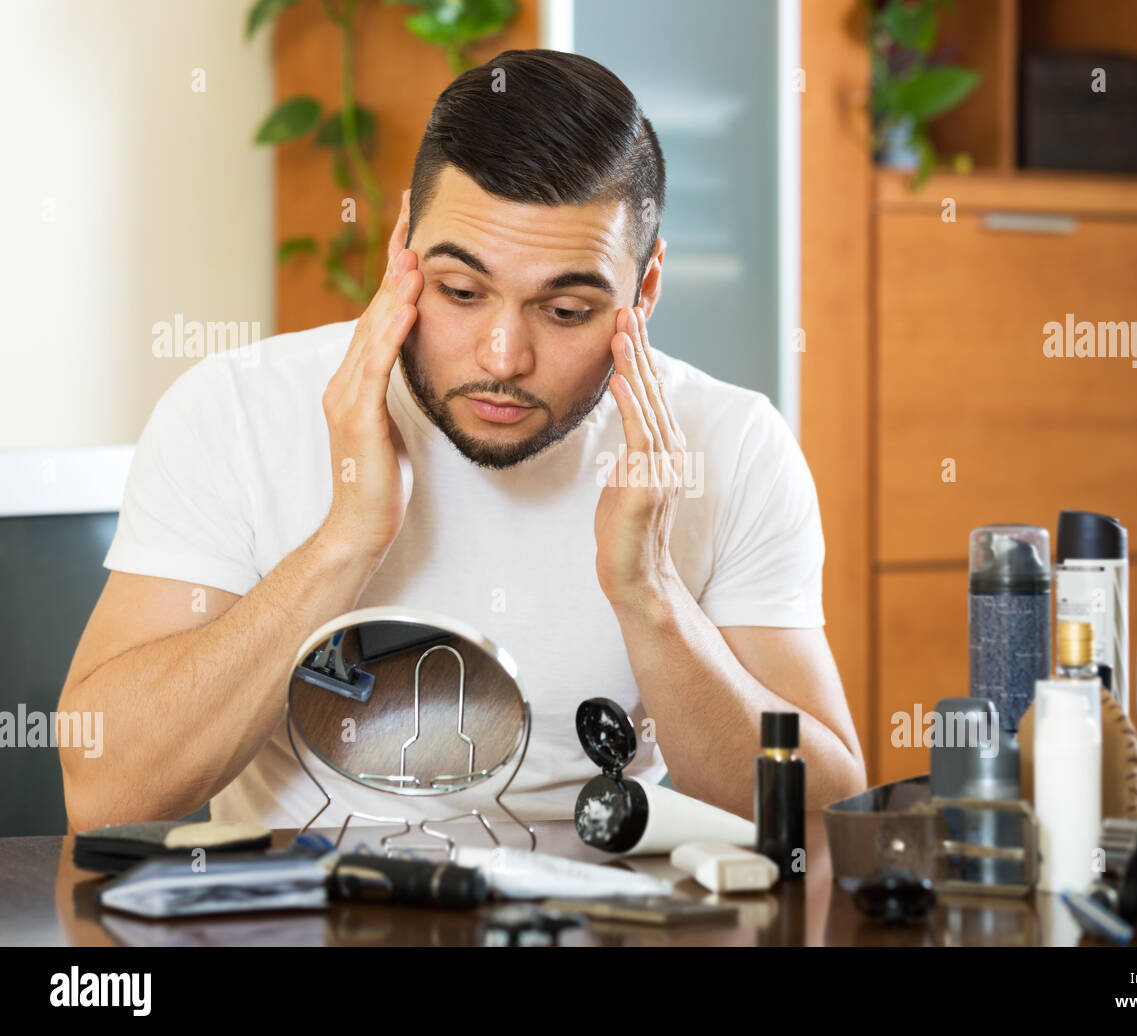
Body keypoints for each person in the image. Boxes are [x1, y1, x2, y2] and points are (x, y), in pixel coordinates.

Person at [59, 49, 865, 832]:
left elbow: (821, 817)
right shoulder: (234, 410)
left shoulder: (733, 445)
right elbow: (107, 792)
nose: (503, 356)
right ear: (401, 246)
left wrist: (651, 595)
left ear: (644, 289)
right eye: (461, 291)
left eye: (566, 311)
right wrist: (346, 540)